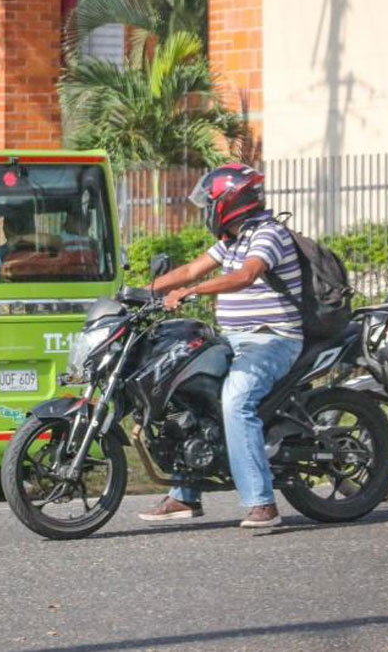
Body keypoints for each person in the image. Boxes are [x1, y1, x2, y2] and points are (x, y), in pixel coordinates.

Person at [140, 162, 303, 529]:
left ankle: (263, 503)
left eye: (209, 203)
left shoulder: (268, 234)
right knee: (185, 387)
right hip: (234, 340)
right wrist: (138, 293)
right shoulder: (231, 240)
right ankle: (185, 495)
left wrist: (192, 291)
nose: (205, 211)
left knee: (235, 400)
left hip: (272, 340)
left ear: (230, 202)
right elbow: (189, 271)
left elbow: (246, 276)